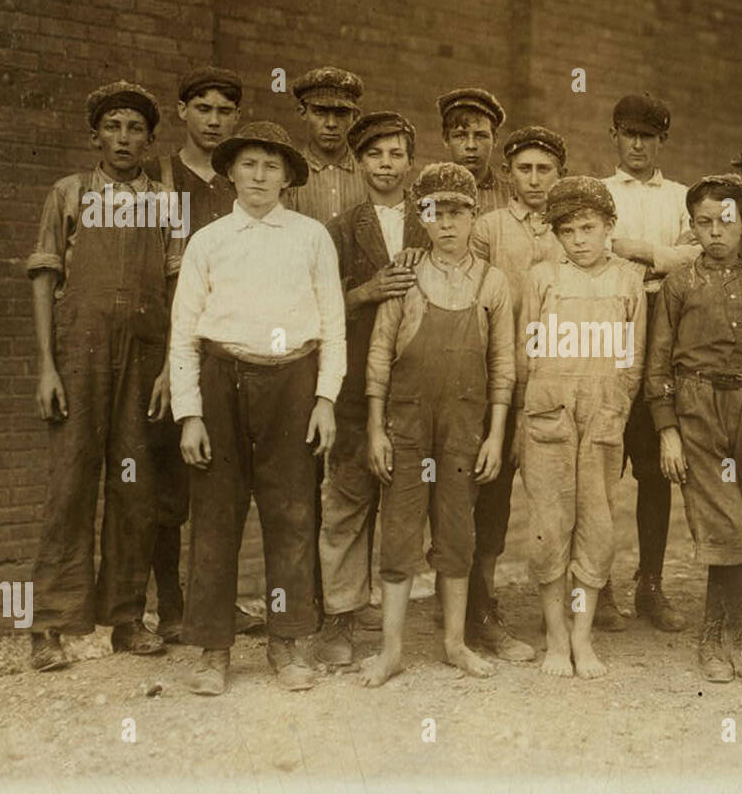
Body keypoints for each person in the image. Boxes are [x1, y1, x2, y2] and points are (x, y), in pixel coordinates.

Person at [169, 122, 346, 695]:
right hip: (222, 379)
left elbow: (333, 326)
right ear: (230, 172)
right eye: (248, 165)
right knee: (216, 516)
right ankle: (211, 651)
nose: (259, 176)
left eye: (272, 166)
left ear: (289, 177)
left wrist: (324, 399)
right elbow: (183, 334)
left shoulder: (311, 236)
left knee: (292, 515)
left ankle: (288, 643)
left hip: (292, 380)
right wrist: (189, 412)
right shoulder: (208, 241)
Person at [26, 81, 177, 671]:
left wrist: (170, 368)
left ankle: (125, 618)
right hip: (80, 354)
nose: (124, 138)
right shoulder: (68, 193)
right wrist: (47, 367)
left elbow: (178, 284)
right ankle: (49, 625)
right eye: (113, 126)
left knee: (135, 489)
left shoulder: (164, 201)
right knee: (69, 484)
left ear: (149, 139)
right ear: (95, 136)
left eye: (135, 128)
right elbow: (44, 277)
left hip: (144, 357)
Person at [362, 162, 515, 687]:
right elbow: (380, 353)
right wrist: (375, 428)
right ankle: (391, 651)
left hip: (465, 423)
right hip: (406, 420)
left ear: (475, 216)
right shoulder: (405, 275)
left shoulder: (493, 283)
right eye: (435, 212)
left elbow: (503, 367)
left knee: (456, 531)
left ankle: (454, 645)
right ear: (421, 218)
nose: (446, 223)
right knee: (401, 529)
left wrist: (495, 434)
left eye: (457, 212)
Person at [646, 174, 742, 684]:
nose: (715, 232)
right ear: (692, 228)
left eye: (725, 221)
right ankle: (734, 638)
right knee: (723, 523)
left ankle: (718, 628)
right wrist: (667, 429)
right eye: (703, 223)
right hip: (696, 408)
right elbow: (657, 365)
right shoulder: (678, 285)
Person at [517, 176, 645, 679]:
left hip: (603, 416)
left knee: (595, 525)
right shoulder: (541, 277)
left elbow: (633, 357)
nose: (579, 239)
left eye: (589, 227)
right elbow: (526, 351)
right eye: (567, 230)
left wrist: (616, 405)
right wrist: (534, 408)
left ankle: (582, 638)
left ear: (609, 227)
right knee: (550, 527)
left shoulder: (628, 279)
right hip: (549, 413)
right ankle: (554, 638)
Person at [315, 110, 428, 666]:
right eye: (375, 156)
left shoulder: (432, 223)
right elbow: (319, 306)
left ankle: (393, 619)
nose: (387, 166)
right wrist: (369, 291)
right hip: (355, 384)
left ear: (411, 161)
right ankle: (339, 614)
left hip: (416, 387)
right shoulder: (338, 228)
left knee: (405, 501)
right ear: (359, 163)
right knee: (347, 498)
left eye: (396, 154)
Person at [465, 125, 574, 663]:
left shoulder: (571, 232)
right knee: (491, 495)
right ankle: (480, 611)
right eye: (524, 169)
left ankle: (567, 607)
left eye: (545, 169)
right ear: (508, 174)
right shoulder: (487, 228)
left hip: (558, 382)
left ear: (560, 175)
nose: (534, 180)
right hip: (497, 379)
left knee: (558, 495)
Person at [144, 65, 243, 644]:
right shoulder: (163, 180)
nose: (214, 120)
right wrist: (166, 365)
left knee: (222, 482)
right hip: (173, 349)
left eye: (224, 110)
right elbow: (160, 278)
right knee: (168, 484)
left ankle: (216, 606)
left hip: (229, 353)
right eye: (203, 108)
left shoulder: (241, 180)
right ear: (182, 112)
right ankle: (172, 605)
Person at [602, 92, 698, 632]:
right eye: (628, 133)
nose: (638, 144)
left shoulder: (683, 198)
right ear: (613, 134)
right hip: (611, 325)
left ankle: (651, 586)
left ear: (662, 140)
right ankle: (599, 584)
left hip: (664, 329)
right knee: (600, 470)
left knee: (654, 468)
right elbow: (592, 245)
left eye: (649, 135)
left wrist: (634, 251)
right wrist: (662, 255)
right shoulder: (598, 192)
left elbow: (695, 254)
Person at [286, 66, 368, 223]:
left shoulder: (370, 174)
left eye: (341, 113)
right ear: (303, 112)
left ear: (355, 116)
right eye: (320, 112)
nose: (331, 123)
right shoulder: (289, 175)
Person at [437, 87, 513, 215]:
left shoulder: (513, 196)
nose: (471, 145)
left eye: (480, 135)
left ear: (495, 139)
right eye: (460, 135)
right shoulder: (430, 193)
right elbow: (424, 233)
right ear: (446, 139)